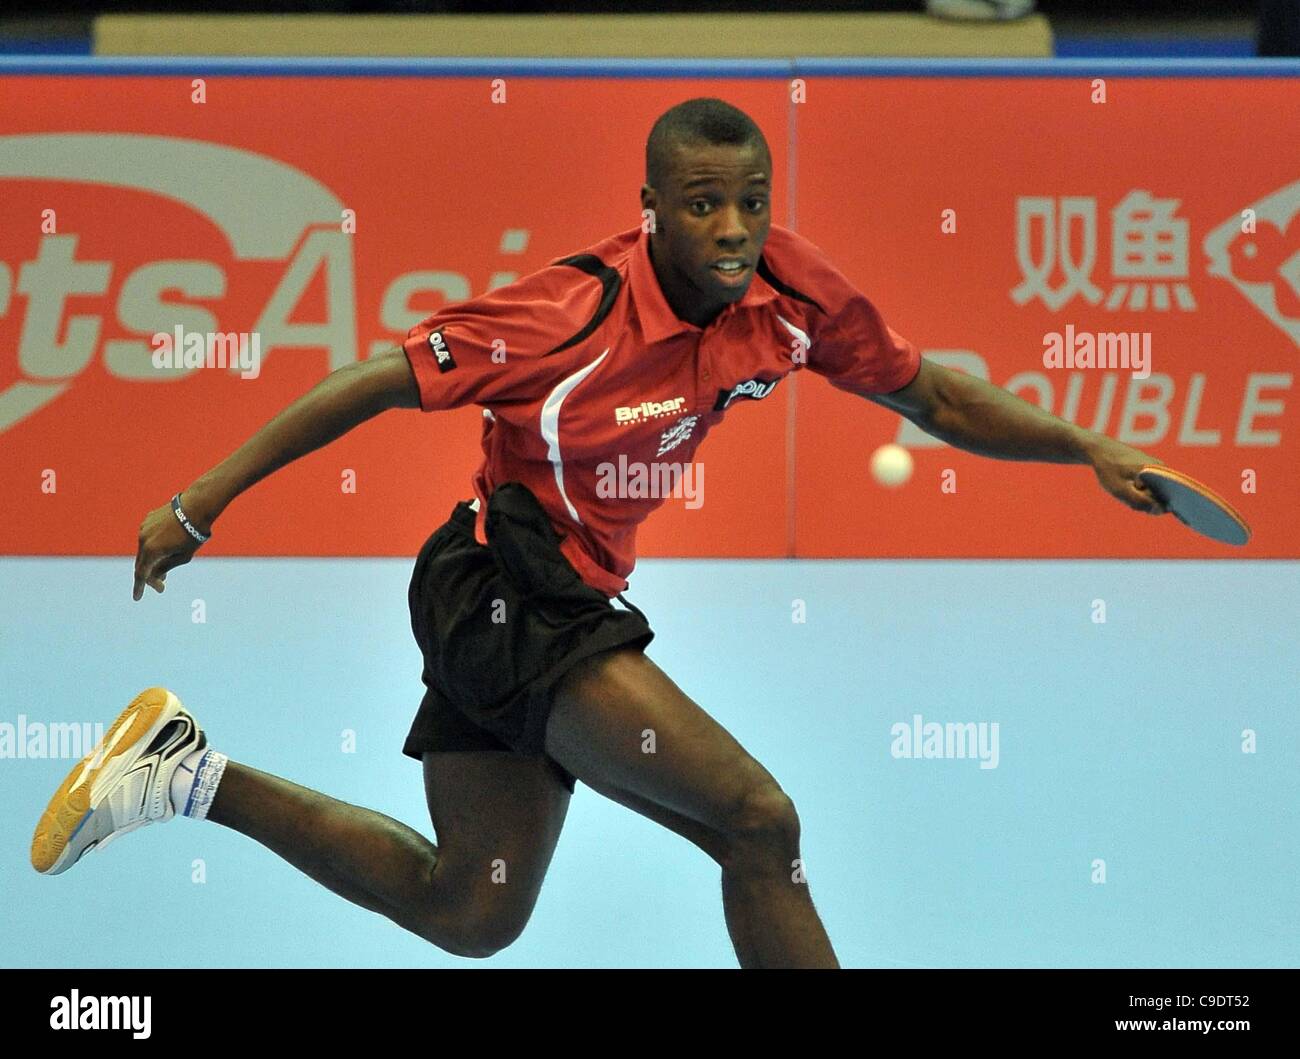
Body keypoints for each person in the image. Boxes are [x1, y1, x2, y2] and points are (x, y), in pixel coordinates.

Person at [30, 97, 1167, 969]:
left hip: (555, 598)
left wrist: (1089, 448)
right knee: (757, 820)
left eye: (752, 200)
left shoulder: (790, 296)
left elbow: (941, 400)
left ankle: (182, 775)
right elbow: (372, 382)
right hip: (502, 586)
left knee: (470, 907)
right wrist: (199, 502)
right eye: (702, 202)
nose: (732, 228)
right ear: (652, 205)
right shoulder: (572, 311)